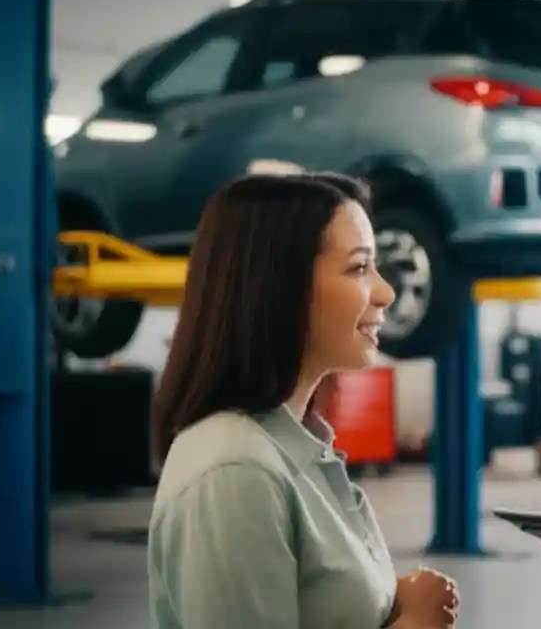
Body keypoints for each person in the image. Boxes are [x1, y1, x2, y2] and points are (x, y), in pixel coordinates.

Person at [147, 172, 460, 628]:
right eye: (359, 267)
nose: (385, 291)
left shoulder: (296, 448)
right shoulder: (236, 471)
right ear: (280, 284)